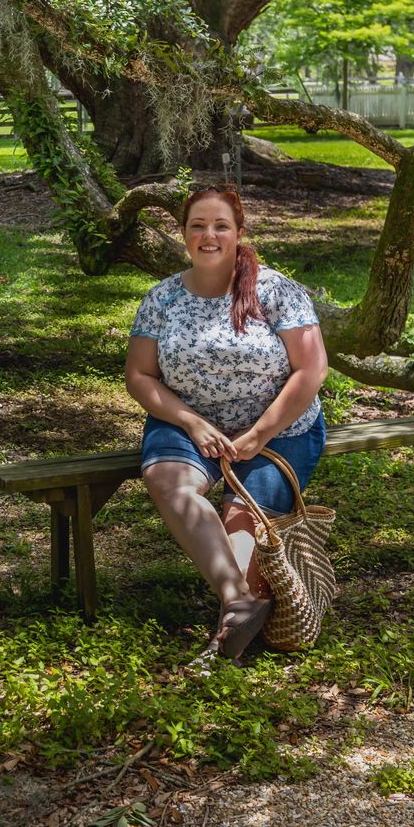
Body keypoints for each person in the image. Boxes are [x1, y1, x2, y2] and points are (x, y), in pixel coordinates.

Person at [125, 184, 329, 661]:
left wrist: (260, 433)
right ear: (183, 233)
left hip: (280, 429)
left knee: (242, 525)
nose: (209, 235)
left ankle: (227, 638)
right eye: (197, 225)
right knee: (169, 482)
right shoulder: (162, 298)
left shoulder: (276, 291)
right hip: (187, 424)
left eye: (221, 225)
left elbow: (311, 369)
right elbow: (139, 375)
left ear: (239, 232)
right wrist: (189, 421)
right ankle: (238, 601)